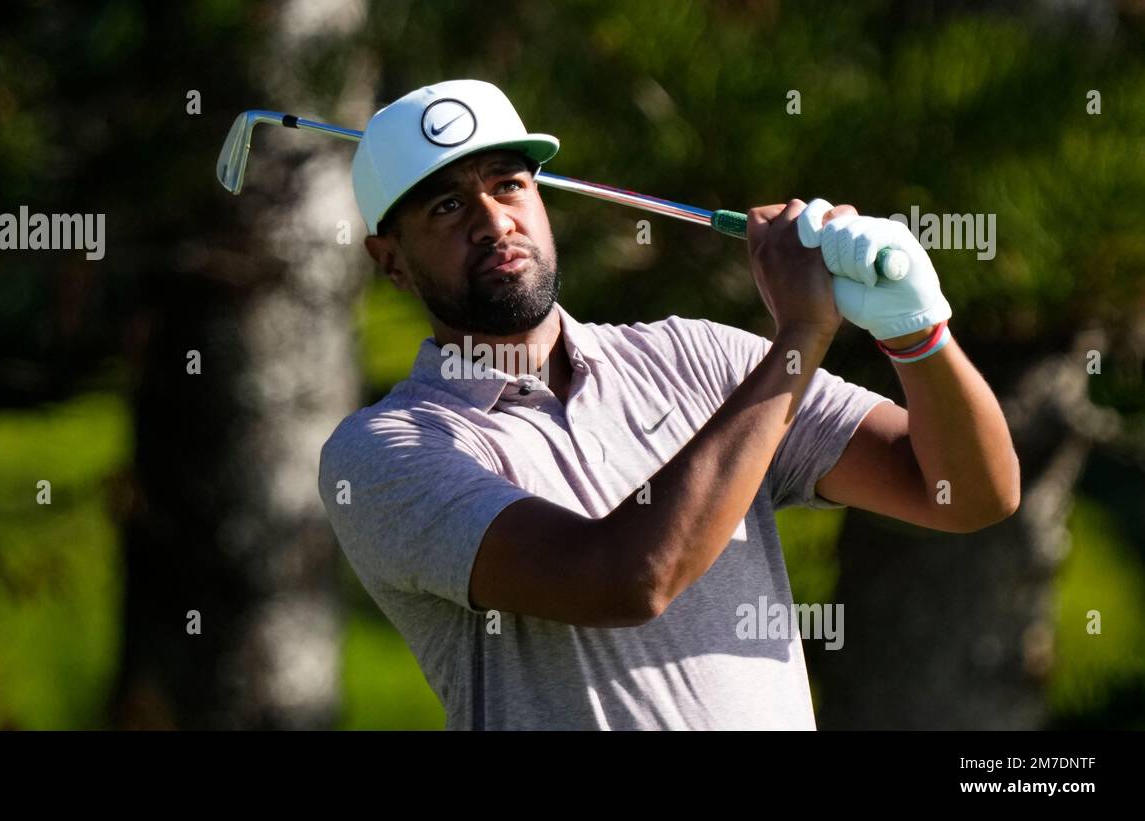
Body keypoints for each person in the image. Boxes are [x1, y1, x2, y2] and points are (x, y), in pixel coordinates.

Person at [317, 79, 1020, 730]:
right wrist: (803, 335)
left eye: (509, 185)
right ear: (391, 261)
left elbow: (966, 493)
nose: (495, 222)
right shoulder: (388, 452)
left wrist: (920, 337)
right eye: (447, 205)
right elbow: (626, 578)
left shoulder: (701, 359)